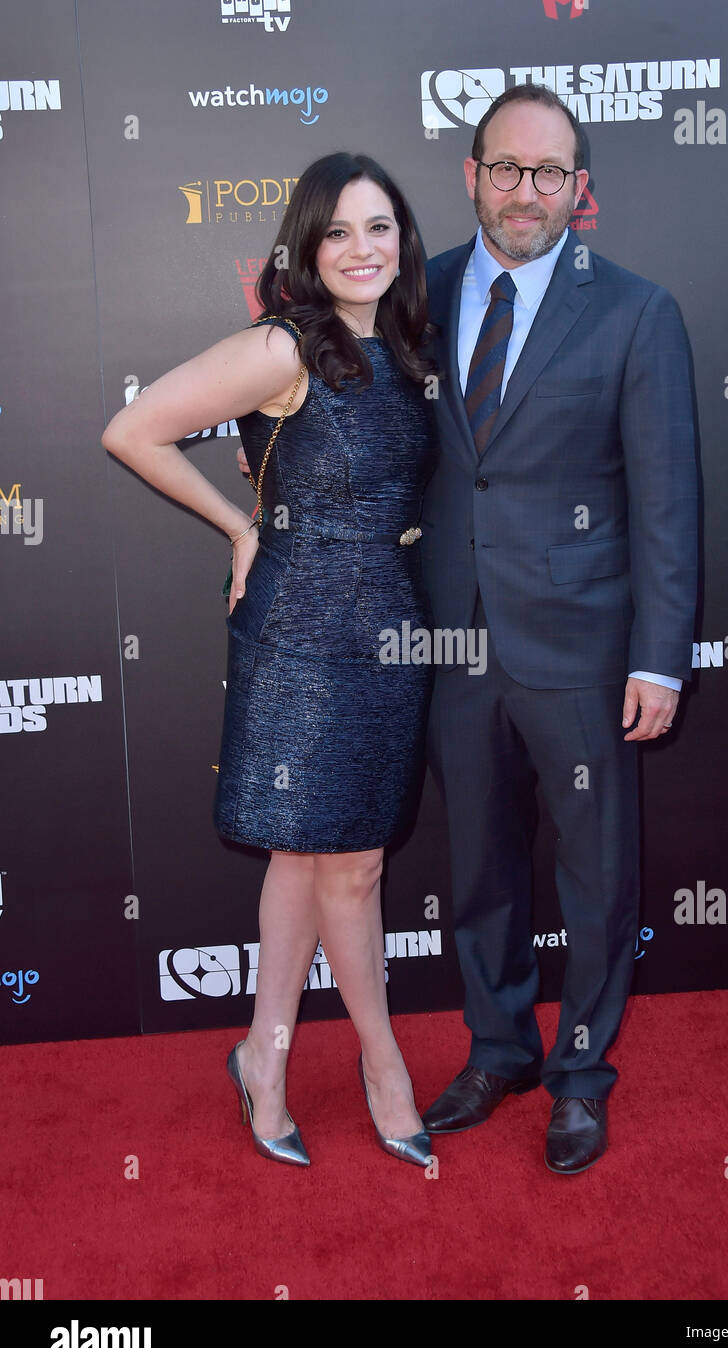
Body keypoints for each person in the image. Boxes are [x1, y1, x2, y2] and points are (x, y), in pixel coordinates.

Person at [101, 153, 438, 1169]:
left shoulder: (408, 348)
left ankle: (263, 1052)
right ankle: (384, 1066)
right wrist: (238, 529)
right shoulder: (284, 346)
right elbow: (134, 430)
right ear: (304, 247)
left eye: (378, 227)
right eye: (337, 232)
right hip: (302, 634)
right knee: (353, 864)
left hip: (385, 628)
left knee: (308, 854)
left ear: (401, 241)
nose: (361, 248)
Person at [418, 83, 699, 1173]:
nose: (522, 191)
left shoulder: (634, 311)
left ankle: (578, 1071)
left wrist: (657, 657)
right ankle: (499, 1049)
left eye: (547, 173)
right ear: (471, 174)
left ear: (576, 189)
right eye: (503, 168)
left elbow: (666, 500)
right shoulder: (418, 291)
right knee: (480, 867)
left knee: (593, 875)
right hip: (451, 645)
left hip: (582, 650)